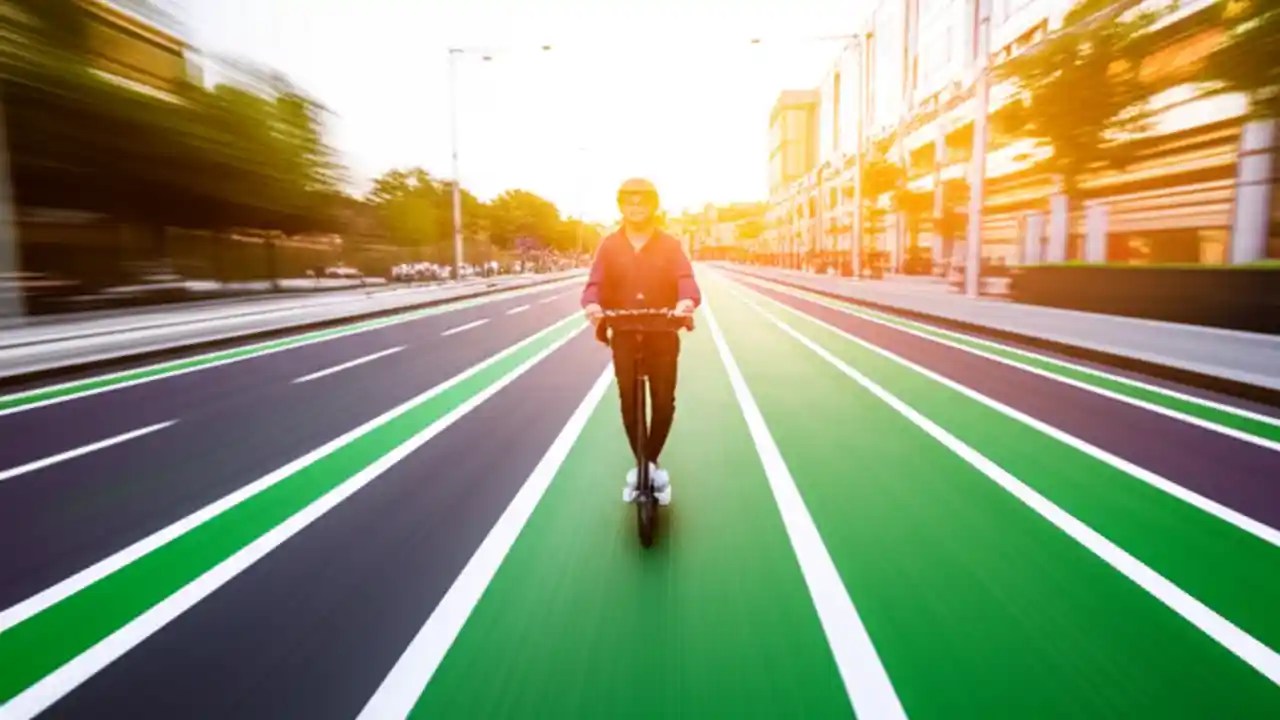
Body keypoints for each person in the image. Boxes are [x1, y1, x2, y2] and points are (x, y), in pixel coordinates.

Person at [581, 178, 701, 505]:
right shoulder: (609, 245)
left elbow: (685, 280)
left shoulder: (670, 244)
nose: (636, 208)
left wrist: (685, 303)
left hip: (662, 331)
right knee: (628, 399)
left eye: (642, 202)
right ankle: (643, 462)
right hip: (623, 332)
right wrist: (592, 305)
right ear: (621, 206)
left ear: (653, 205)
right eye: (630, 202)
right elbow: (594, 284)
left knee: (663, 403)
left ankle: (649, 461)